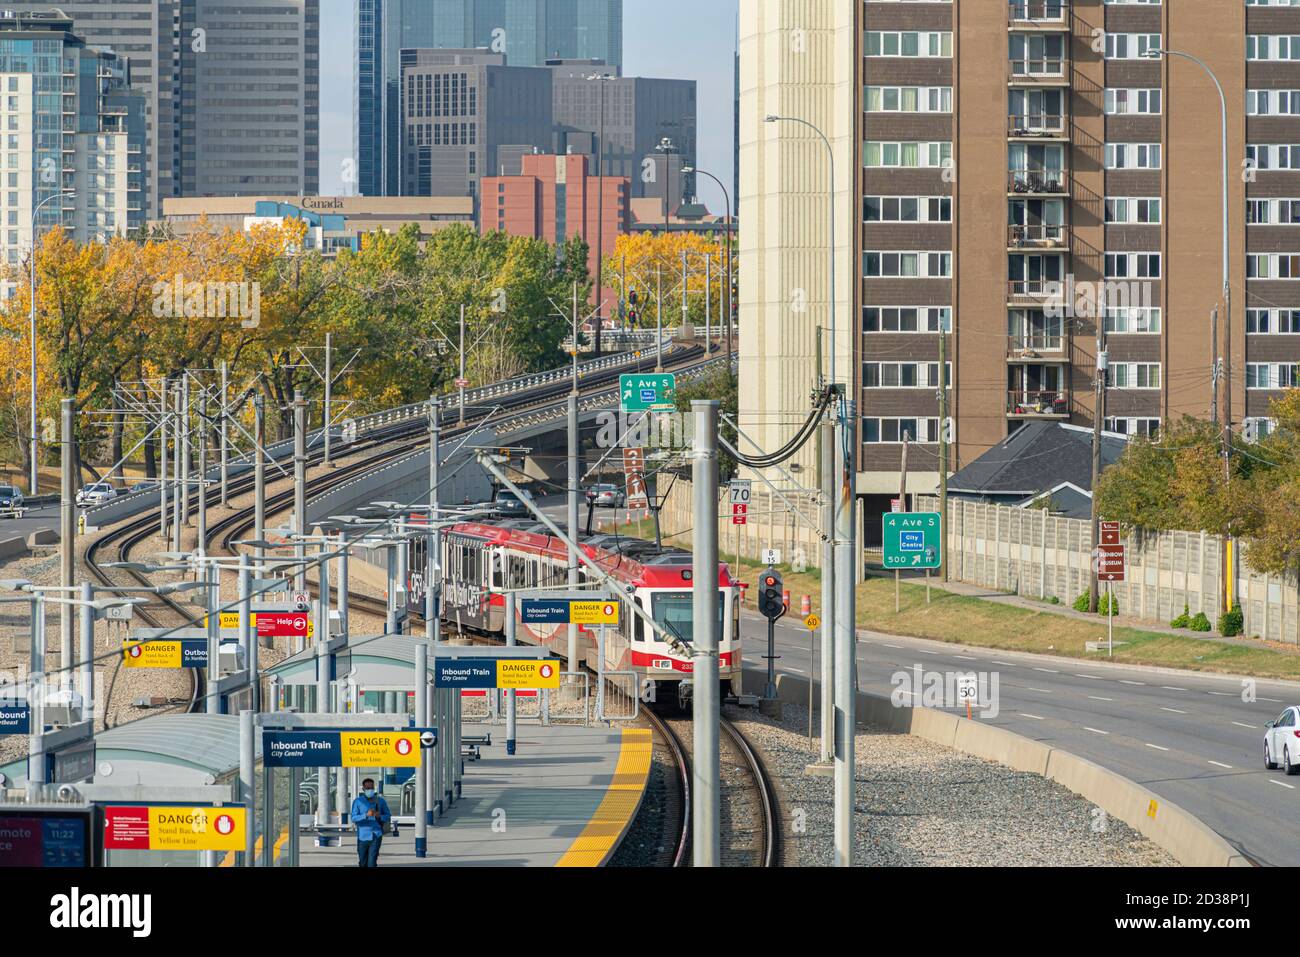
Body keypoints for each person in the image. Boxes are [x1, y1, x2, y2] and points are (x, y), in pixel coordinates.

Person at [350, 778, 391, 867]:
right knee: (362, 862)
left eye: (372, 788)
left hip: (376, 835)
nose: (370, 790)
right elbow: (353, 818)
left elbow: (388, 815)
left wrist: (380, 816)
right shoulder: (358, 802)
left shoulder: (380, 801)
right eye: (368, 788)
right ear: (363, 789)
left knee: (372, 863)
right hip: (362, 836)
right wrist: (365, 815)